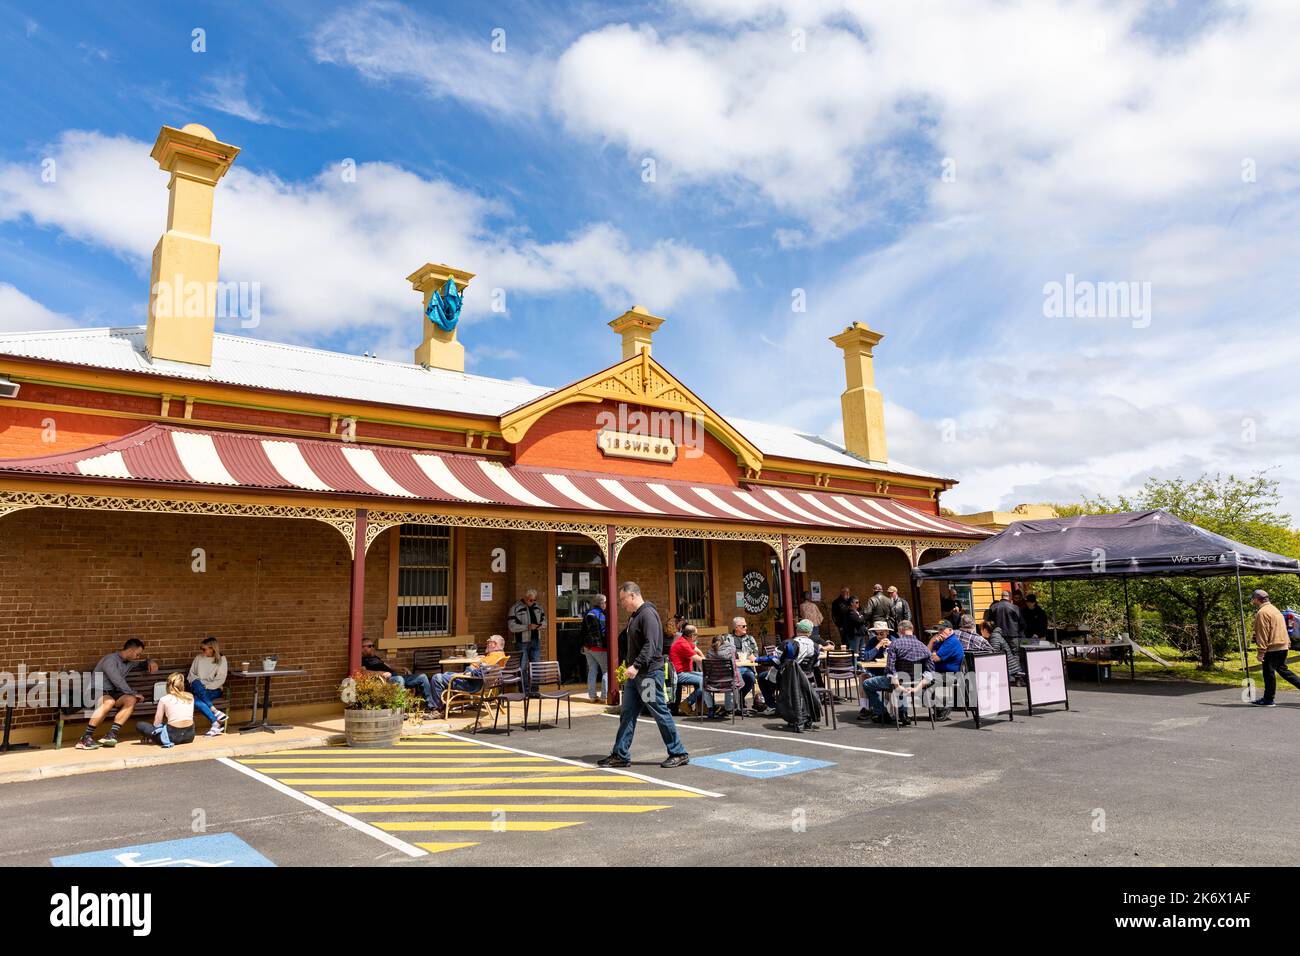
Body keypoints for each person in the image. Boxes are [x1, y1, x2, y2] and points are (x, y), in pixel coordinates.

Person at [599, 582, 689, 768]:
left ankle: (679, 752)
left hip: (647, 675)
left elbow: (652, 645)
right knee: (628, 713)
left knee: (659, 711)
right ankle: (620, 754)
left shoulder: (647, 615)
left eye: (623, 599)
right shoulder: (636, 616)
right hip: (635, 677)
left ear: (633, 596)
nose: (622, 604)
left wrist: (636, 665)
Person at [76, 638, 158, 750]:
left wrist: (150, 661)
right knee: (109, 702)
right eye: (137, 654)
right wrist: (133, 693)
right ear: (130, 651)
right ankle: (85, 738)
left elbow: (142, 664)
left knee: (131, 700)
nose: (138, 657)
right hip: (95, 691)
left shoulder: (129, 663)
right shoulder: (110, 660)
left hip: (112, 692)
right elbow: (117, 680)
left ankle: (111, 735)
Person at [861, 621, 933, 725]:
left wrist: (897, 685)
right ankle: (902, 713)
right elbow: (929, 672)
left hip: (897, 681)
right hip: (915, 682)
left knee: (867, 684)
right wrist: (917, 687)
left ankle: (881, 712)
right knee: (900, 684)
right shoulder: (924, 647)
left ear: (900, 631)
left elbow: (891, 669)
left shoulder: (895, 644)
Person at [429, 635, 509, 712]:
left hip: (472, 685)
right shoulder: (500, 655)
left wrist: (469, 669)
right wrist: (480, 661)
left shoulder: (492, 658)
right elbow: (482, 670)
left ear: (494, 644)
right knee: (447, 674)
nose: (486, 644)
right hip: (480, 684)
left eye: (489, 642)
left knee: (437, 678)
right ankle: (446, 704)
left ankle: (437, 710)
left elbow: (477, 673)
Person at [360, 639, 438, 713]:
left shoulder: (376, 658)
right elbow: (364, 672)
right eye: (370, 646)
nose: (373, 648)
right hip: (384, 680)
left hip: (395, 676)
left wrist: (402, 668)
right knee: (399, 679)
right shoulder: (361, 660)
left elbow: (389, 666)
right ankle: (400, 709)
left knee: (422, 677)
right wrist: (382, 673)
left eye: (373, 646)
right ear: (362, 647)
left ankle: (431, 707)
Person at [772, 620, 824, 732]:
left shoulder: (788, 643)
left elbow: (775, 660)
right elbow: (816, 664)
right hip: (808, 680)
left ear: (797, 630)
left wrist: (757, 659)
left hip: (788, 680)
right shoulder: (816, 646)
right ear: (809, 632)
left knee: (763, 678)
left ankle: (772, 706)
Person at [1251, 589, 1300, 707]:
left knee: (1268, 673)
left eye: (1253, 599)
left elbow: (1262, 633)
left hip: (1273, 647)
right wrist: (1287, 643)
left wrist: (1261, 651)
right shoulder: (1275, 610)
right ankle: (1268, 698)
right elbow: (1284, 628)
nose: (1252, 601)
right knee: (1283, 671)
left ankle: (1268, 699)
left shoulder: (1262, 612)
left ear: (1257, 599)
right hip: (1282, 645)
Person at [135, 672, 196, 748]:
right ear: (182, 685)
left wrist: (152, 734)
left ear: (167, 685)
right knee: (166, 724)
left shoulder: (164, 699)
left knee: (140, 725)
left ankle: (150, 738)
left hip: (172, 737)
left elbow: (157, 722)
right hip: (189, 736)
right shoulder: (190, 697)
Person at [187, 637, 229, 737]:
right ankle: (215, 711)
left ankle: (215, 723)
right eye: (201, 649)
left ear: (212, 648)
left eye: (204, 649)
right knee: (196, 682)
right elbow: (191, 675)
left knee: (195, 700)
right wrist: (200, 685)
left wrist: (207, 686)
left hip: (214, 689)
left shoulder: (222, 660)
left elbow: (220, 680)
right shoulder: (198, 658)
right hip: (198, 687)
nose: (202, 651)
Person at [719, 617, 762, 712]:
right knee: (736, 677)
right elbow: (721, 652)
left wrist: (750, 658)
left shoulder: (750, 639)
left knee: (750, 677)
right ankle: (738, 701)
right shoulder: (726, 638)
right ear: (736, 627)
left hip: (746, 666)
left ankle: (740, 697)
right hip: (732, 667)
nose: (746, 627)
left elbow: (756, 653)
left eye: (746, 626)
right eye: (743, 626)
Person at [508, 588, 547, 692]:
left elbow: (545, 622)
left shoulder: (538, 607)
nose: (532, 602)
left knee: (536, 666)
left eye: (534, 600)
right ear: (525, 598)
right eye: (530, 600)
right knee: (522, 666)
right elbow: (511, 626)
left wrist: (539, 626)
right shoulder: (515, 608)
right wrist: (527, 627)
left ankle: (535, 690)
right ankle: (524, 690)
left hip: (535, 640)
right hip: (522, 641)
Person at [928, 621, 965, 721]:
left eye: (942, 629)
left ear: (950, 630)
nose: (939, 632)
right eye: (938, 629)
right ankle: (939, 707)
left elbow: (935, 658)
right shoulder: (942, 641)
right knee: (923, 678)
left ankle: (943, 707)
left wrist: (933, 652)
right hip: (940, 671)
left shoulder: (951, 642)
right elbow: (927, 653)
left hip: (950, 674)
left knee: (925, 680)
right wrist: (932, 641)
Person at [670, 624, 706, 715]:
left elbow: (698, 651)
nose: (697, 637)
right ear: (691, 635)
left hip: (687, 672)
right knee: (705, 681)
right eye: (696, 635)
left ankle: (702, 707)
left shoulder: (685, 641)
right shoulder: (682, 644)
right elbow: (697, 658)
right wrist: (709, 663)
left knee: (706, 677)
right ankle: (686, 704)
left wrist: (704, 668)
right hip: (679, 674)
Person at [581, 594, 609, 702]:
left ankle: (592, 696)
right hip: (599, 647)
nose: (606, 604)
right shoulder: (601, 615)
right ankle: (604, 696)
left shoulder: (588, 613)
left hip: (588, 647)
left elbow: (582, 630)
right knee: (606, 671)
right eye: (605, 602)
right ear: (601, 603)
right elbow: (604, 631)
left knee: (592, 670)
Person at [981, 619, 1025, 684]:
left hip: (1009, 670)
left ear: (985, 630)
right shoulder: (995, 635)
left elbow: (993, 654)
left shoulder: (994, 637)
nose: (981, 632)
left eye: (981, 629)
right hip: (1010, 668)